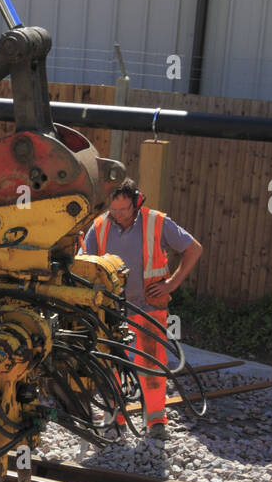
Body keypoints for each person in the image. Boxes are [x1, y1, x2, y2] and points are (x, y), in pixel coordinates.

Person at [79, 178, 203, 440]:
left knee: (151, 365)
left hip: (149, 308)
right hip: (112, 310)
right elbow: (85, 263)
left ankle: (156, 422)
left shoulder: (157, 222)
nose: (118, 216)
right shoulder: (100, 225)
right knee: (111, 364)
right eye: (114, 210)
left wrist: (171, 284)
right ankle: (115, 419)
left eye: (123, 210)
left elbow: (193, 249)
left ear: (136, 202)